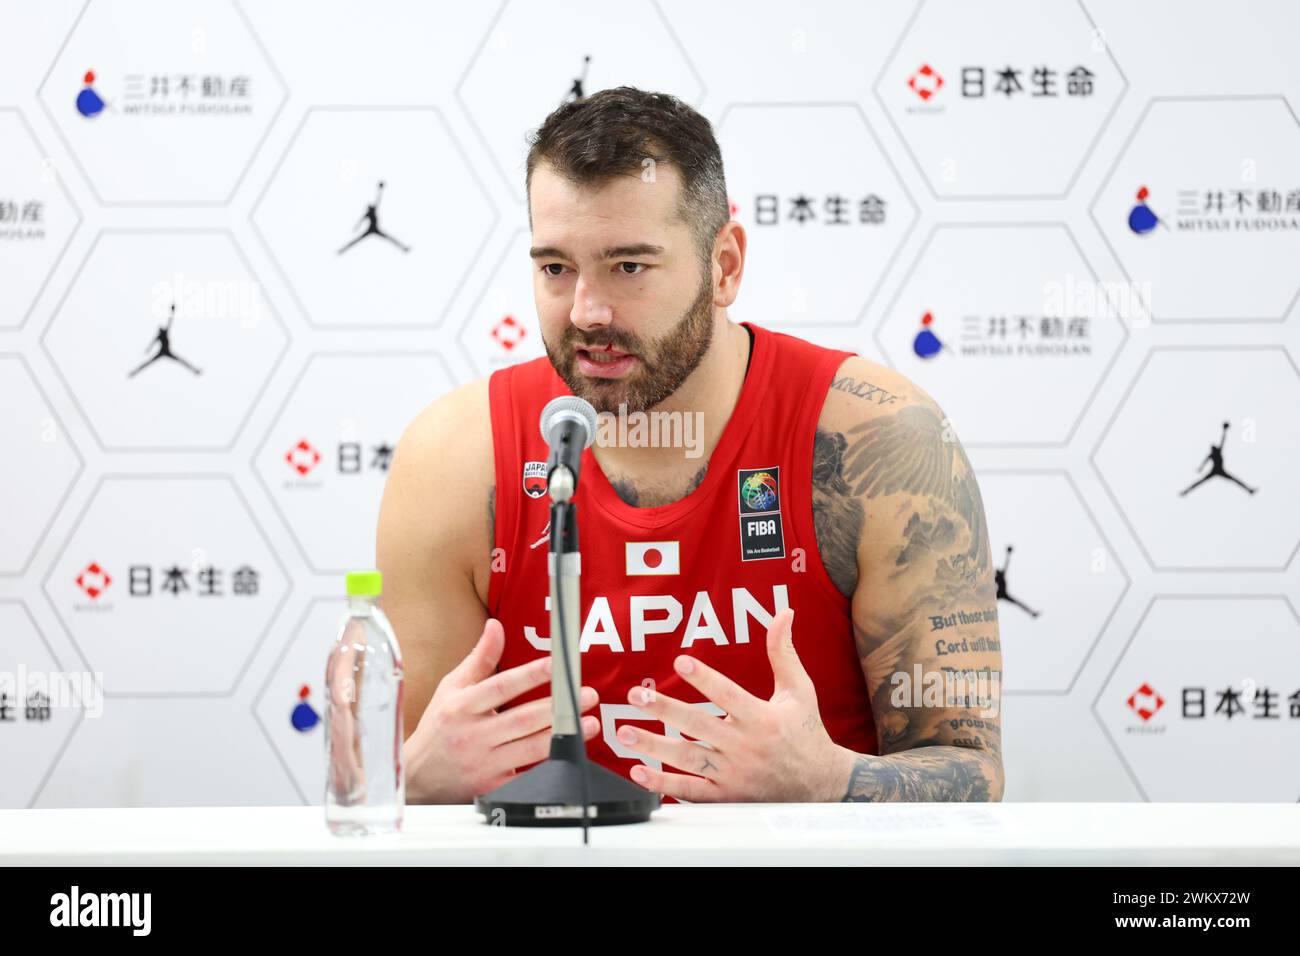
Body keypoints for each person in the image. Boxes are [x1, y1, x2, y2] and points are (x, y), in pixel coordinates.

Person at [378, 87, 1003, 805]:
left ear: (725, 266)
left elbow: (973, 773)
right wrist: (411, 784)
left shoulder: (879, 438)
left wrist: (828, 780)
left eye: (629, 267)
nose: (587, 311)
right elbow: (402, 790)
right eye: (556, 268)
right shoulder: (456, 460)